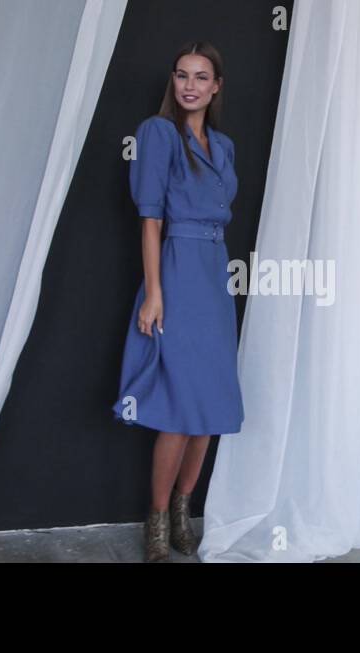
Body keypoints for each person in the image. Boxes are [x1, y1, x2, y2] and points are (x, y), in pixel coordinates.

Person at [113, 41, 244, 562]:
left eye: (201, 76)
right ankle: (158, 518)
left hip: (215, 276)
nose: (190, 84)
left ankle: (185, 509)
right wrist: (155, 293)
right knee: (175, 410)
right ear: (174, 82)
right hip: (176, 269)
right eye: (182, 75)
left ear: (216, 87)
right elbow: (150, 221)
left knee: (208, 409)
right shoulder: (158, 133)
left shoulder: (224, 146)